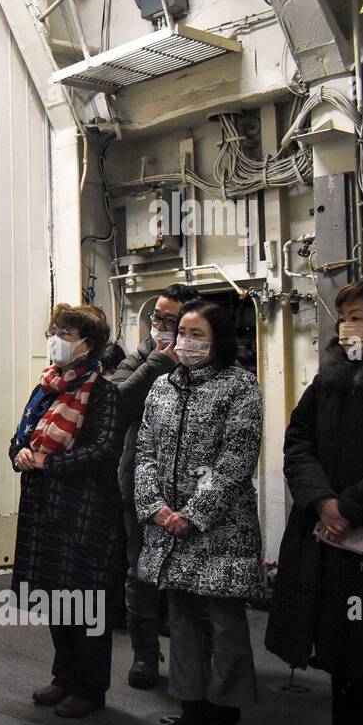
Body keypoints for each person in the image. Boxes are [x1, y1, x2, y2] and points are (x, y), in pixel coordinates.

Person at [265, 277, 363, 725]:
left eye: (357, 318)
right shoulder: (330, 380)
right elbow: (298, 441)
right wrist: (323, 501)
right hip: (331, 536)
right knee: (343, 647)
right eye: (343, 318)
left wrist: (352, 506)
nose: (346, 328)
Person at [134, 299, 262, 725]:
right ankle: (190, 706)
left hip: (221, 529)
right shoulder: (163, 386)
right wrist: (155, 507)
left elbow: (236, 459)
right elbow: (144, 451)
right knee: (183, 620)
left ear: (218, 340)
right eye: (182, 333)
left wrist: (194, 514)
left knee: (224, 623)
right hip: (168, 527)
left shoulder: (240, 387)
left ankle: (223, 711)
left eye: (197, 335)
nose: (185, 342)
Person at [9, 304, 125, 718]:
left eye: (65, 333)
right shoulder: (46, 387)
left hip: (86, 513)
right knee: (57, 597)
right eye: (54, 331)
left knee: (86, 600)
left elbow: (104, 450)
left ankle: (89, 688)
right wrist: (21, 453)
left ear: (87, 344)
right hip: (45, 508)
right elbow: (21, 436)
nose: (56, 339)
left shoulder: (104, 392)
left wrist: (49, 463)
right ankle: (64, 676)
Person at [110, 283, 200, 688]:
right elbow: (117, 403)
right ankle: (144, 654)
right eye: (156, 317)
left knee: (191, 574)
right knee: (140, 569)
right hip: (140, 479)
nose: (159, 325)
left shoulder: (208, 365)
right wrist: (157, 363)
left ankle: (191, 658)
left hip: (193, 487)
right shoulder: (141, 357)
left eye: (169, 319)